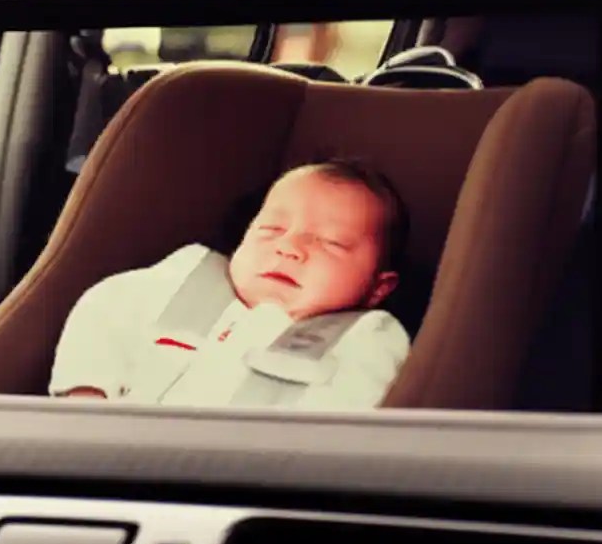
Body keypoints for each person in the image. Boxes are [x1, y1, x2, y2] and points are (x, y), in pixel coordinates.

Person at [49, 158, 412, 410]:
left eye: (330, 242)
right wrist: (88, 395)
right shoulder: (184, 275)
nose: (288, 248)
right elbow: (104, 314)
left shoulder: (368, 336)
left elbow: (353, 411)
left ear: (378, 288)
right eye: (271, 230)